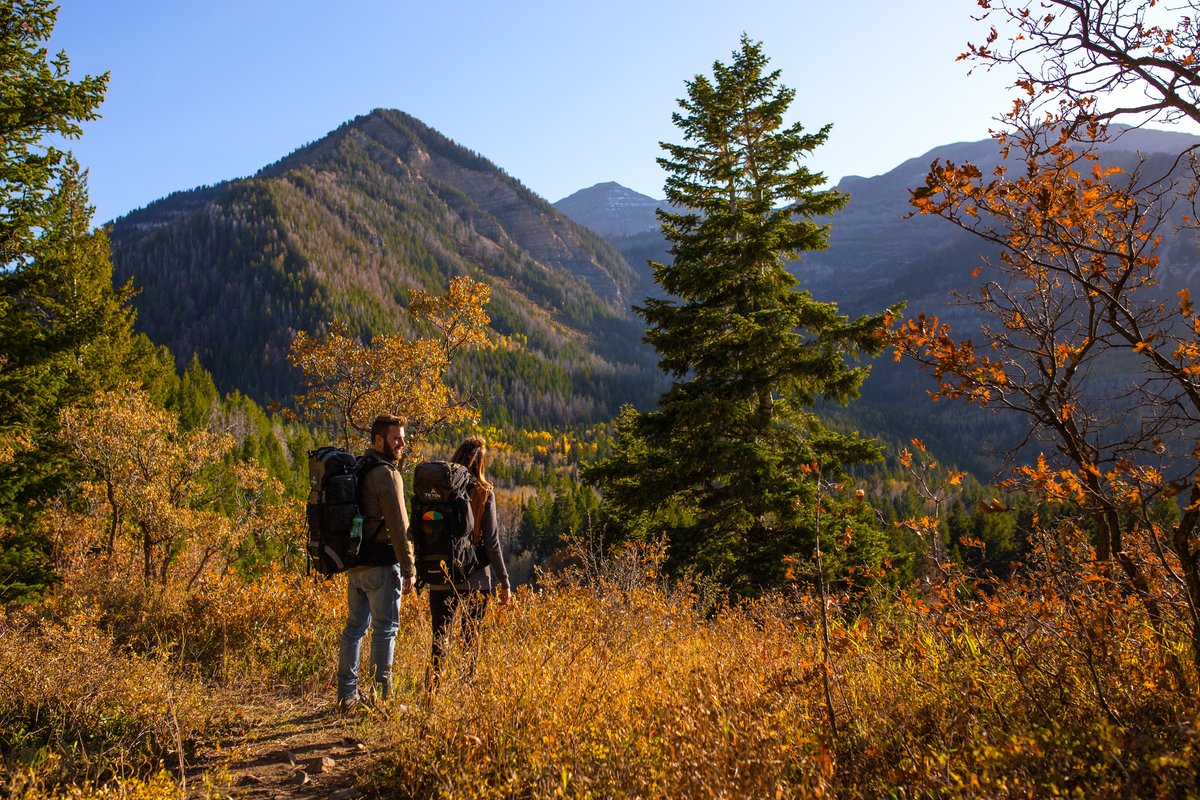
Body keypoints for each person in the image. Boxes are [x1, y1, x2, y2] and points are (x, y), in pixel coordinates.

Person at [336, 413, 416, 711]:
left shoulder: (360, 466)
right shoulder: (387, 474)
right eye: (396, 438)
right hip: (381, 565)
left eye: (403, 439)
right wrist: (408, 568)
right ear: (379, 439)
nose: (401, 444)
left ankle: (347, 694)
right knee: (385, 629)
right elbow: (399, 525)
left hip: (356, 564)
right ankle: (384, 699)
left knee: (355, 627)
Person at [427, 434, 511, 679]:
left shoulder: (440, 489)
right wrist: (504, 582)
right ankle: (465, 693)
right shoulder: (484, 493)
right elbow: (492, 544)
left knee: (439, 640)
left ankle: (431, 695)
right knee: (470, 640)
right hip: (475, 576)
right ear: (481, 463)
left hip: (440, 572)